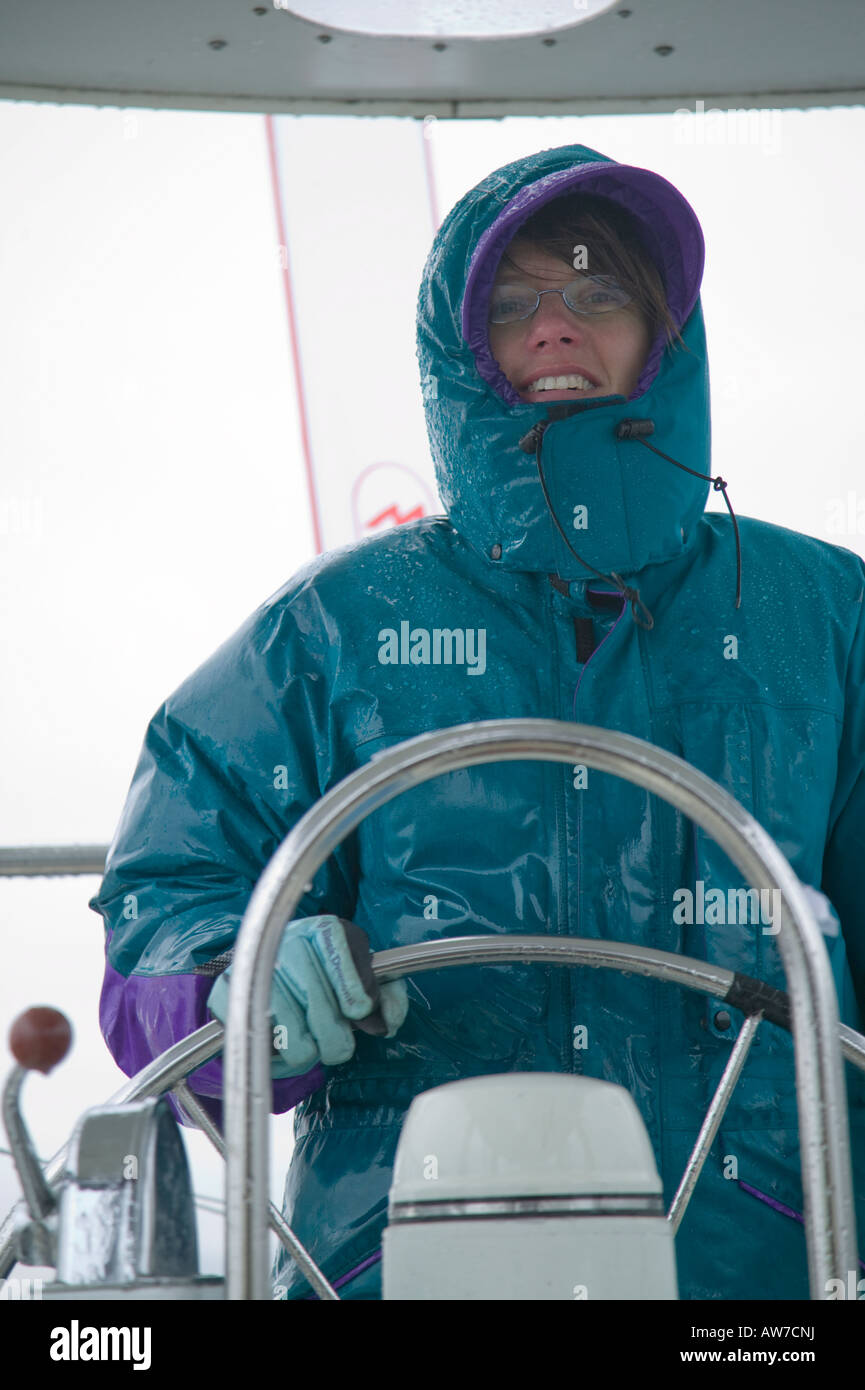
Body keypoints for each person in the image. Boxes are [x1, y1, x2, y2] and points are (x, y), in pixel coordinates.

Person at [89, 141, 865, 1301]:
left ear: (665, 331)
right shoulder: (330, 632)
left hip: (761, 1284)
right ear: (464, 355)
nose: (556, 327)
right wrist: (236, 982)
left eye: (599, 290)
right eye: (514, 303)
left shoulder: (827, 619)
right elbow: (168, 893)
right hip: (398, 1260)